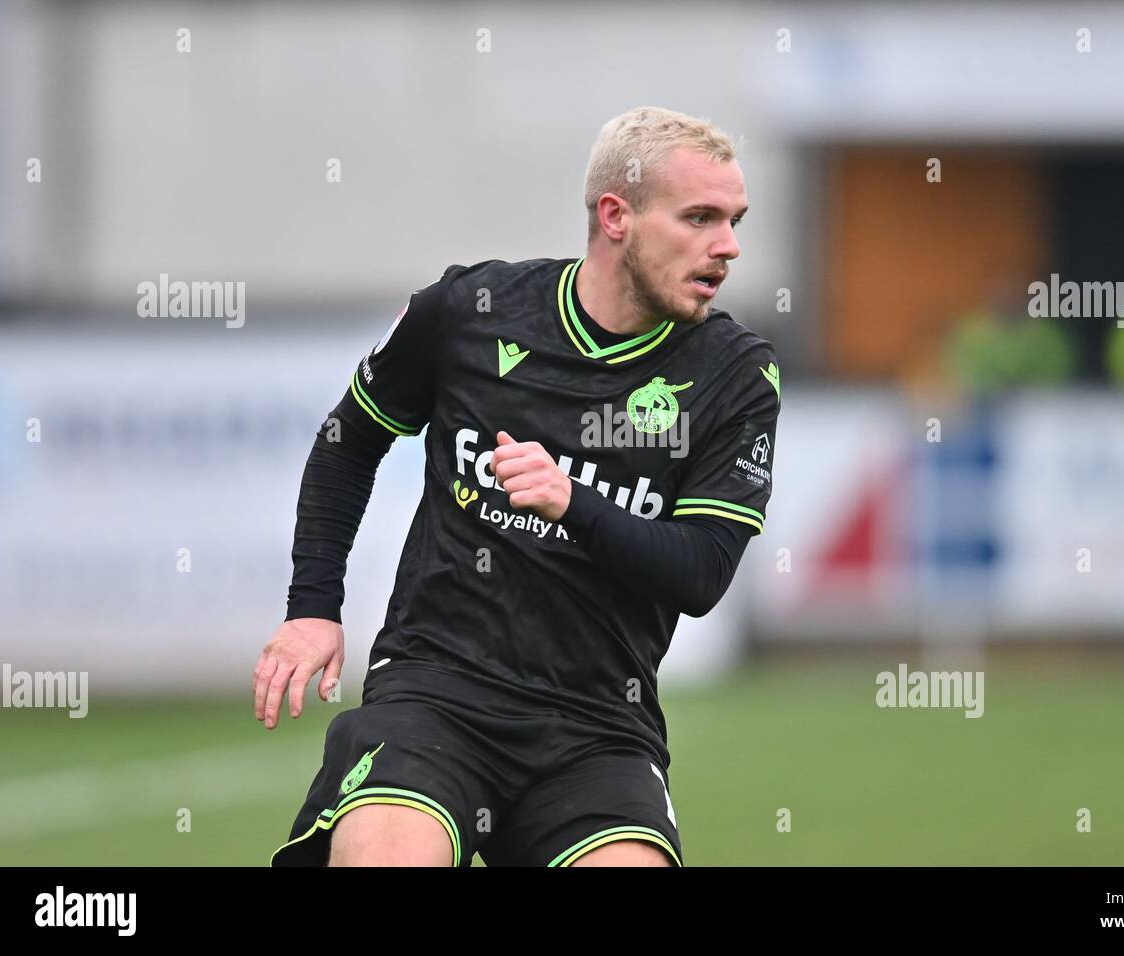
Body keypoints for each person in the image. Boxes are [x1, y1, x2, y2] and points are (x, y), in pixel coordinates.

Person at [256, 105, 781, 866]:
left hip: (599, 725)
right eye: (699, 217)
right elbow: (348, 442)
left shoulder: (735, 375)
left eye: (734, 220)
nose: (726, 246)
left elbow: (700, 571)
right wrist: (312, 608)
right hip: (436, 692)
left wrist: (574, 502)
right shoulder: (470, 311)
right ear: (615, 216)